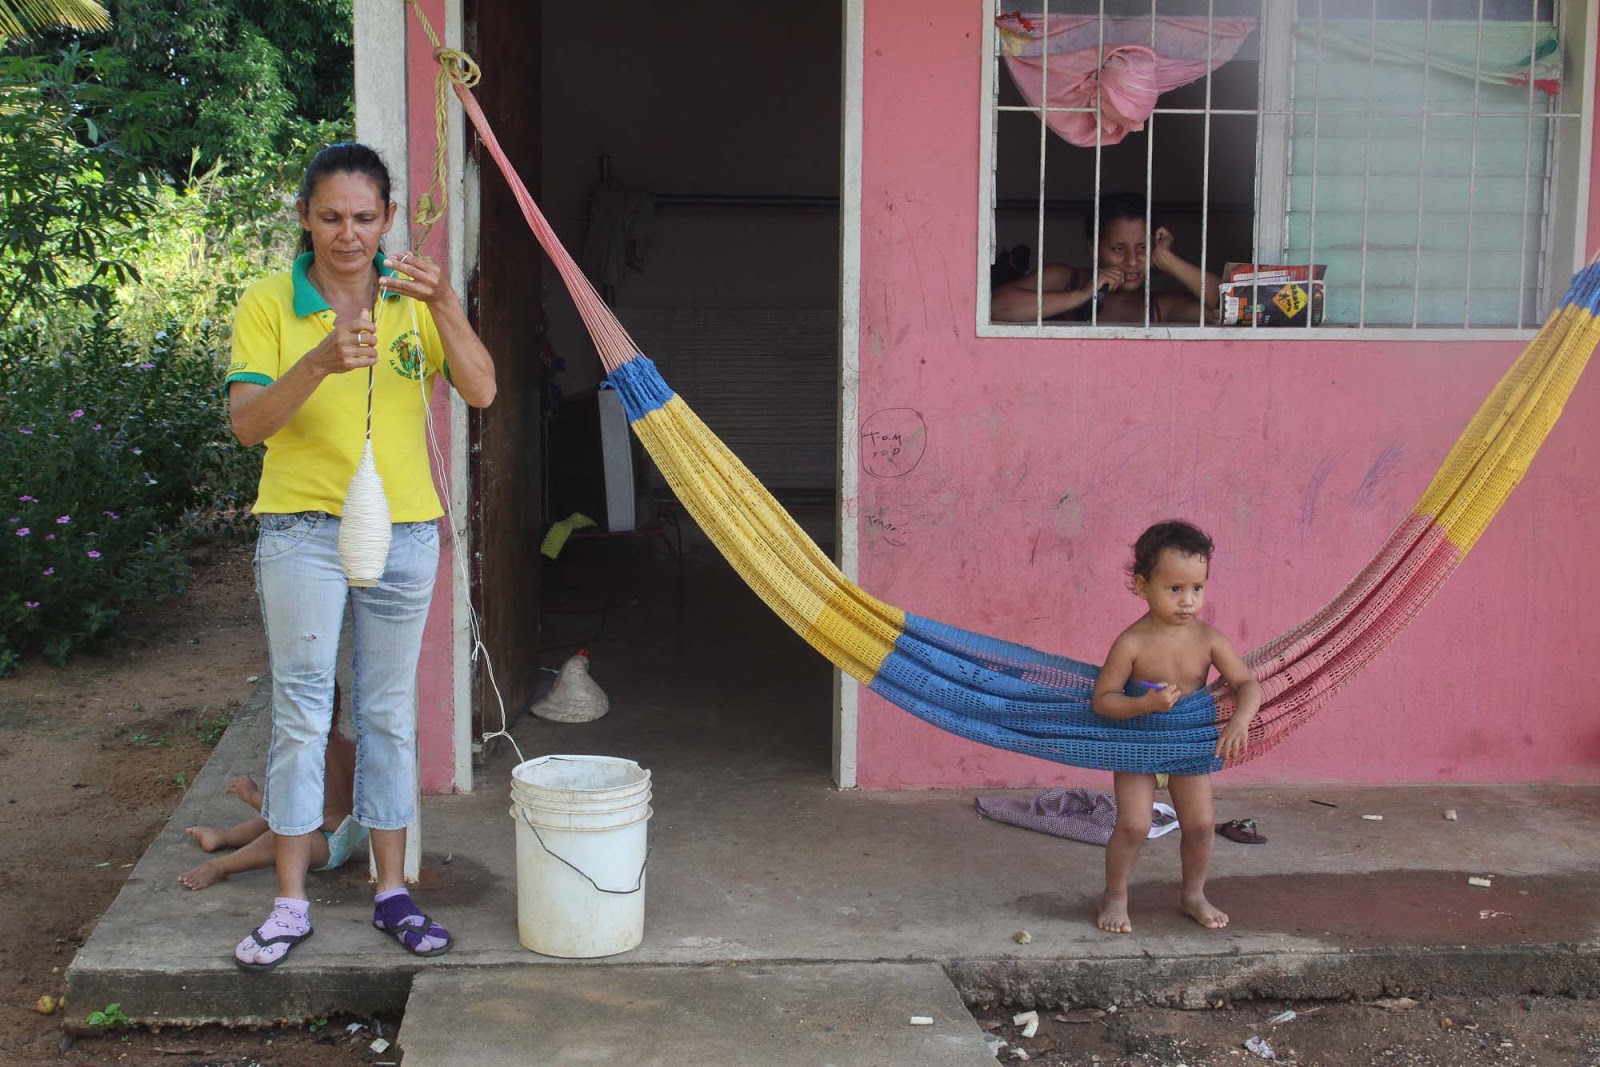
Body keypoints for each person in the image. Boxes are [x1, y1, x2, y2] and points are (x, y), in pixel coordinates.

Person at [224, 142, 497, 971]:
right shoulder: (269, 302)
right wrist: (318, 357)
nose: (349, 234)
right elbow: (247, 424)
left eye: (365, 217)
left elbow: (482, 389)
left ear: (388, 220)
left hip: (407, 531)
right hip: (302, 531)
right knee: (304, 709)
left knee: (386, 713)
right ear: (305, 218)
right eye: (332, 216)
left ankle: (392, 894)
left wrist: (446, 301)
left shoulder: (413, 300)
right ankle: (290, 904)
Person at [1089, 520, 1261, 934]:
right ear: (1142, 586)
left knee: (1201, 826)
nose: (1188, 601)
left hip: (1189, 745)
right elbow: (1103, 701)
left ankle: (1193, 895)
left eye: (1197, 588)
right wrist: (1143, 704)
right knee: (1133, 825)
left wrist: (1240, 720)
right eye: (1174, 589)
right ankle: (1115, 896)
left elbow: (1247, 683)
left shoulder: (1209, 638)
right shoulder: (1131, 642)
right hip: (1137, 742)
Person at [178, 685, 366, 891]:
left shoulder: (309, 759)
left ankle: (220, 867)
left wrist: (251, 795)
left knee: (283, 835)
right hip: (342, 837)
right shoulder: (352, 749)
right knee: (271, 824)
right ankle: (224, 837)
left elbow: (284, 815)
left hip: (323, 847)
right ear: (338, 715)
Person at [990, 193, 1221, 325]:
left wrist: (1167, 260)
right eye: (1118, 249)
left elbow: (1230, 304)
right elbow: (996, 308)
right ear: (1093, 248)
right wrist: (1080, 296)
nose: (1132, 261)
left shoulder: (1159, 307)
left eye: (1142, 247)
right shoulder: (1064, 279)